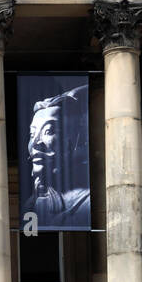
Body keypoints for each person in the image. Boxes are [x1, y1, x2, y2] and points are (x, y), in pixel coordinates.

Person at [21, 83, 90, 228]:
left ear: (77, 139)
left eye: (48, 131)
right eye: (32, 134)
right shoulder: (31, 204)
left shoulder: (88, 202)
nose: (35, 143)